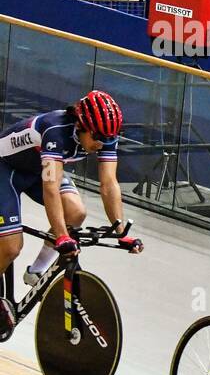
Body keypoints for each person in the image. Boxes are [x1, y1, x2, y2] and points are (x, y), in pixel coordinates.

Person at [0, 91, 142, 332]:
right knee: (11, 246)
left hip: (37, 169)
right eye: (97, 137)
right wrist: (62, 236)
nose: (101, 143)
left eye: (109, 138)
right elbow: (51, 188)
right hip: (6, 169)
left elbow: (109, 184)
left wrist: (121, 231)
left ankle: (36, 271)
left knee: (76, 213)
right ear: (81, 125)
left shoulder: (104, 134)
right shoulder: (55, 130)